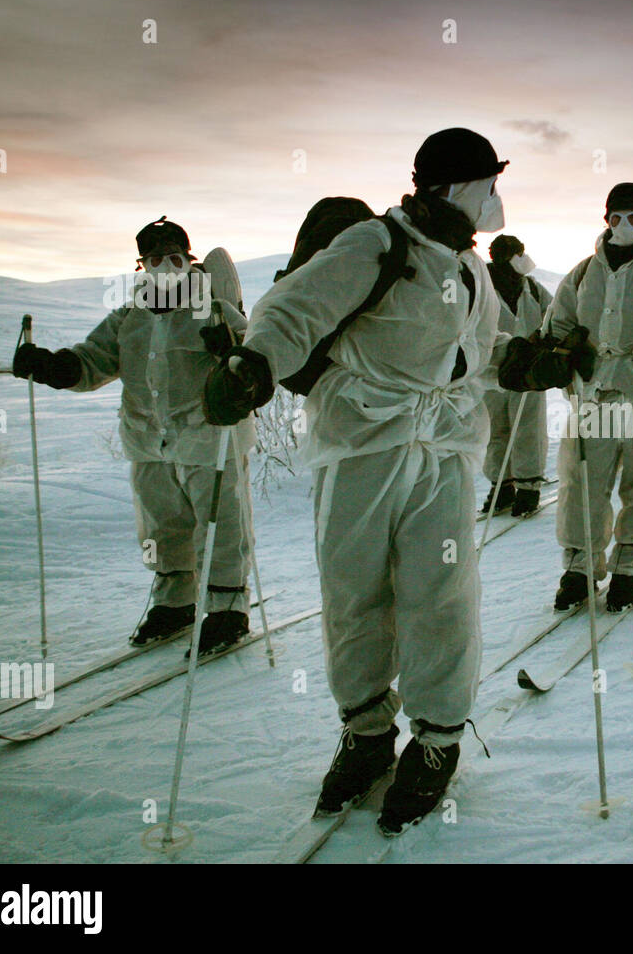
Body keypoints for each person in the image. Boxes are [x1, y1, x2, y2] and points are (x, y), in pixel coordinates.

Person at [202, 128, 509, 835]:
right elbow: (297, 307)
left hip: (445, 449)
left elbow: (484, 347)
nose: (496, 195)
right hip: (363, 445)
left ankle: (436, 740)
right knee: (353, 588)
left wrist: (524, 361)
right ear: (457, 186)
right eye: (488, 182)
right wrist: (253, 365)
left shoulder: (471, 269)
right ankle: (368, 732)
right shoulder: (379, 245)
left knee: (443, 589)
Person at [11, 217, 255, 655]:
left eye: (175, 257)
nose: (166, 266)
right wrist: (53, 366)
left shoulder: (214, 306)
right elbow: (93, 360)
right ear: (142, 264)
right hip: (147, 441)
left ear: (190, 259)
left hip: (208, 437)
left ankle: (226, 610)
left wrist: (231, 350)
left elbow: (254, 352)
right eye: (156, 258)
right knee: (160, 529)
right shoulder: (129, 316)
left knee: (220, 525)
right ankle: (175, 603)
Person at [501, 182, 633, 612]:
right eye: (617, 216)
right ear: (607, 220)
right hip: (594, 394)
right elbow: (558, 323)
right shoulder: (584, 272)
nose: (625, 224)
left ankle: (630, 568)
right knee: (583, 482)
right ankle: (580, 567)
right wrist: (560, 350)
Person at [481, 234, 550, 516]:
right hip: (491, 371)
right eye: (519, 253)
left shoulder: (531, 287)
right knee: (495, 429)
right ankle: (502, 485)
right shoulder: (481, 288)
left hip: (530, 371)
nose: (524, 258)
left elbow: (554, 313)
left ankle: (528, 487)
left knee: (528, 428)